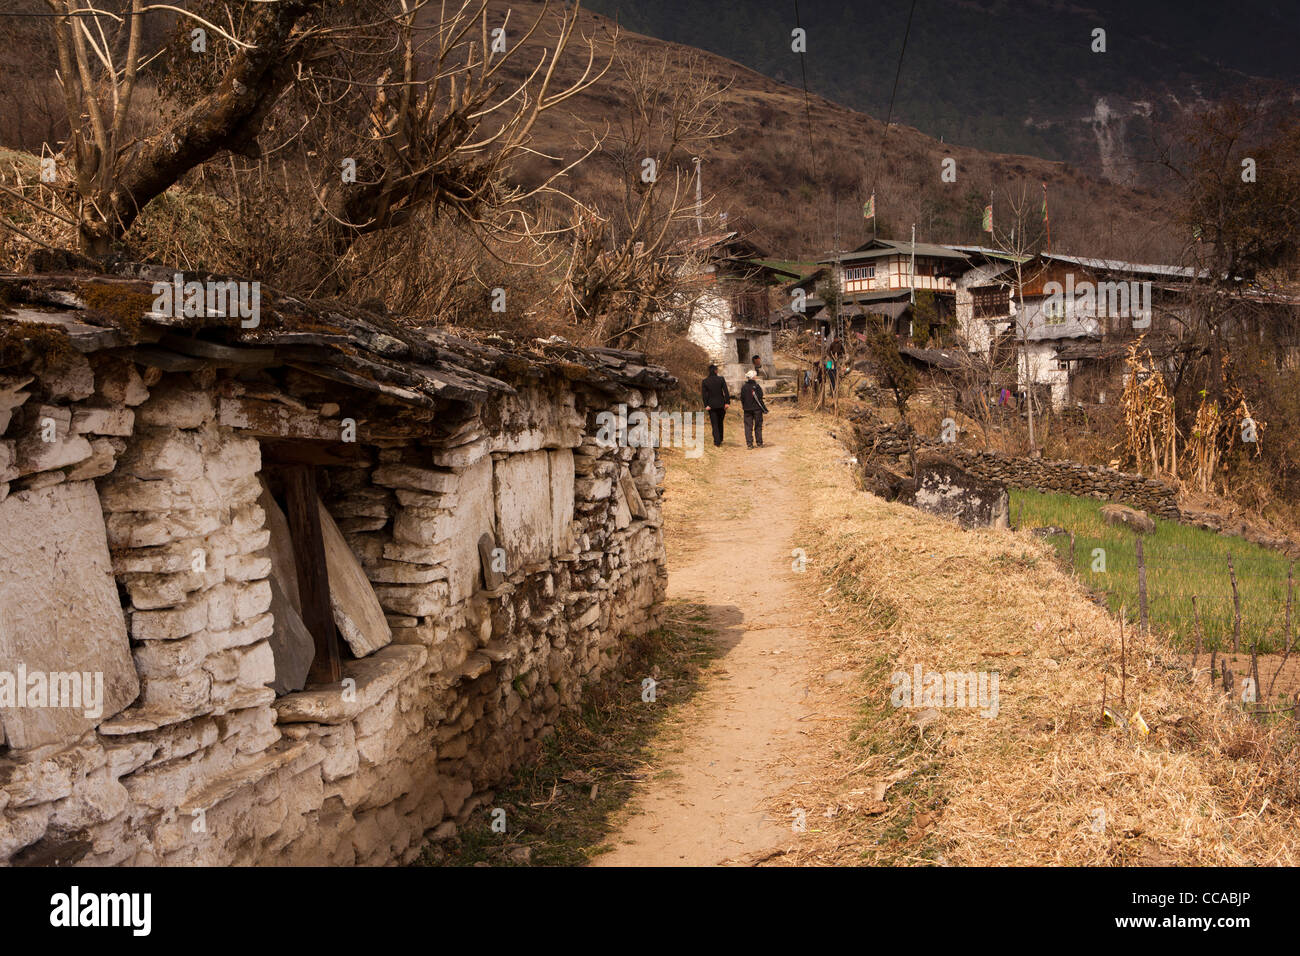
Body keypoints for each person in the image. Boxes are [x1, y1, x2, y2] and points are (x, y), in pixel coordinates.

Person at [701, 363, 731, 447]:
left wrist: (706, 405)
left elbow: (704, 395)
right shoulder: (721, 379)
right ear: (715, 371)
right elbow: (726, 391)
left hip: (711, 405)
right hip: (721, 404)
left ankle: (717, 441)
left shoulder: (705, 381)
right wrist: (727, 402)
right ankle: (720, 438)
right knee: (720, 422)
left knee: (714, 423)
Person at [740, 369, 769, 448]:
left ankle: (749, 444)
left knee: (748, 426)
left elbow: (742, 398)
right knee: (758, 426)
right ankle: (759, 442)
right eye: (755, 376)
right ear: (753, 377)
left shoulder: (744, 387)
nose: (756, 377)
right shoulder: (757, 386)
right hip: (757, 409)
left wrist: (744, 406)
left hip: (747, 409)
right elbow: (760, 398)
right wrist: (764, 409)